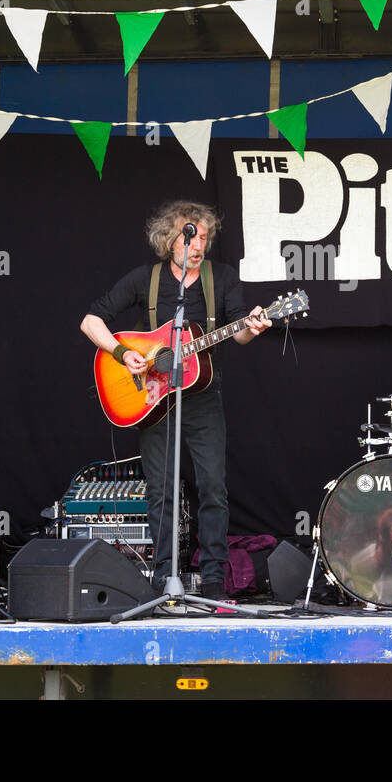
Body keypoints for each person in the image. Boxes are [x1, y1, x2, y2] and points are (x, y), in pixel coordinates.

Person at [80, 201, 271, 600]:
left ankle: (215, 579)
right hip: (153, 398)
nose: (198, 245)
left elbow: (237, 333)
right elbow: (91, 320)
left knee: (213, 485)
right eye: (190, 236)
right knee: (161, 489)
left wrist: (252, 327)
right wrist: (121, 353)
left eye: (204, 237)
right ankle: (164, 576)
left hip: (203, 395)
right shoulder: (144, 279)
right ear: (169, 240)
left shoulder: (221, 278)